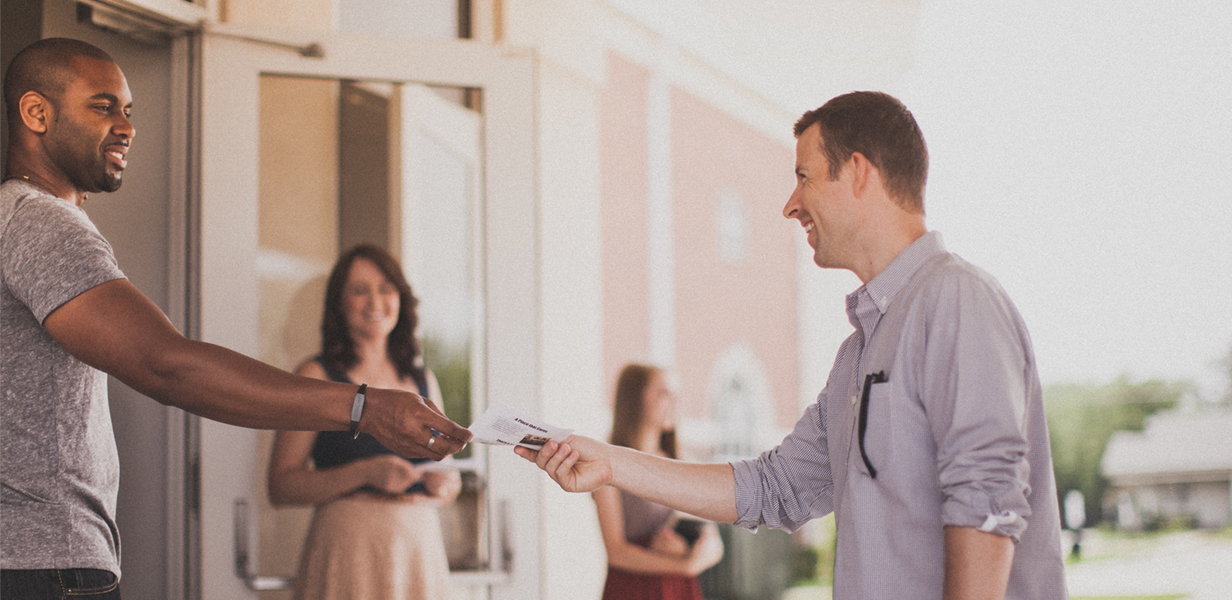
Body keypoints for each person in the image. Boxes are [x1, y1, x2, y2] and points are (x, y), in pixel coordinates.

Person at [518, 91, 1067, 599]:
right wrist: (611, 463)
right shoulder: (858, 353)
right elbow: (773, 487)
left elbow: (987, 500)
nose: (790, 204)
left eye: (804, 176)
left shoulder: (956, 300)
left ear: (857, 172)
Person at [0, 38, 470, 599]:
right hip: (42, 566)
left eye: (129, 111)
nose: (126, 126)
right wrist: (363, 407)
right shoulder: (40, 224)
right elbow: (165, 366)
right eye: (103, 107)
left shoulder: (27, 220)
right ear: (36, 113)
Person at [269, 245, 461, 600]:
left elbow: (447, 474)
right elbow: (281, 485)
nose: (375, 301)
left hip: (418, 553)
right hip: (346, 553)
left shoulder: (423, 381)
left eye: (386, 288)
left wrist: (446, 487)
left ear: (401, 298)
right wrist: (363, 473)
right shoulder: (316, 375)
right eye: (360, 290)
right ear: (339, 304)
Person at [594, 364, 723, 600]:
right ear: (635, 399)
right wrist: (683, 566)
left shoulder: (682, 462)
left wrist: (690, 553)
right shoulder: (608, 465)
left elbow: (714, 543)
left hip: (680, 589)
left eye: (676, 395)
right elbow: (617, 552)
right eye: (664, 393)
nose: (674, 403)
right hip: (632, 589)